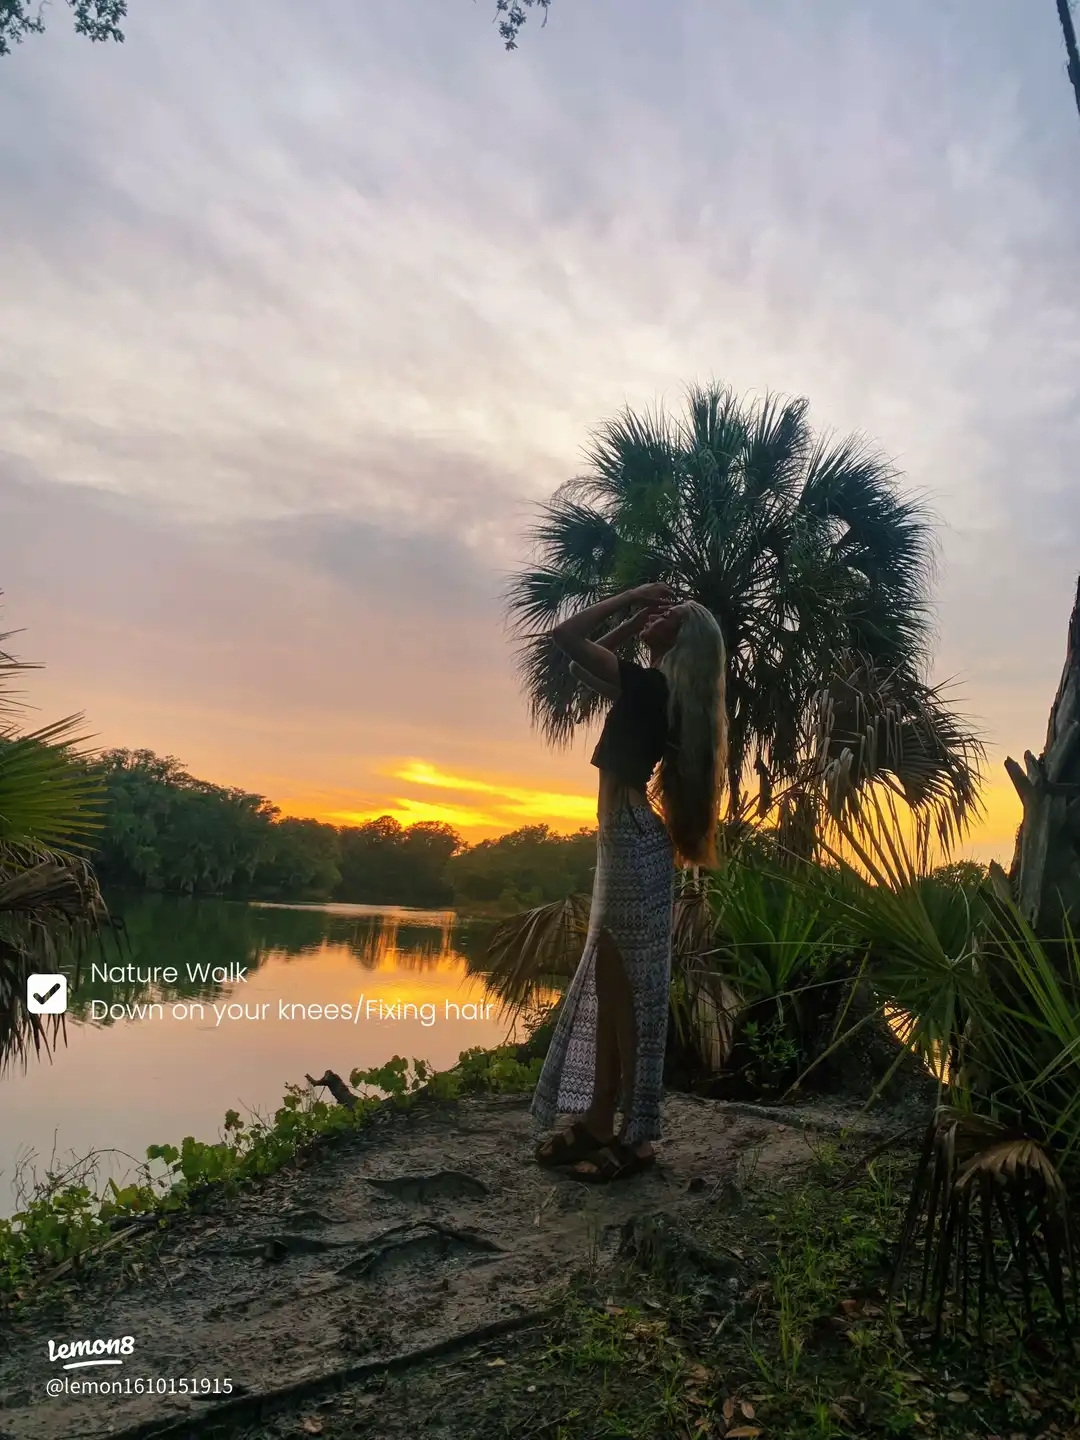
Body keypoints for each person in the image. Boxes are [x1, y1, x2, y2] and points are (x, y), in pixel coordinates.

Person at [530, 582, 728, 1182]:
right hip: (627, 842)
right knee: (617, 990)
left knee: (625, 996)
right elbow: (579, 660)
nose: (658, 613)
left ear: (684, 638)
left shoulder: (652, 689)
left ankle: (624, 1134)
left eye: (672, 613)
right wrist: (641, 619)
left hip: (632, 842)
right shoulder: (651, 690)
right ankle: (604, 1124)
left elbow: (567, 636)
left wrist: (634, 594)